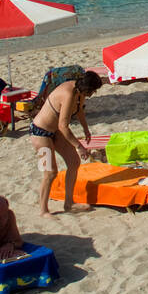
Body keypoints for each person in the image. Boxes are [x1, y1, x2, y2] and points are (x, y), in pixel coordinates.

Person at [31, 71, 102, 216]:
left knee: (74, 162)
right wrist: (79, 147)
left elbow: (79, 111)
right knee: (50, 173)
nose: (94, 93)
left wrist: (86, 129)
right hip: (40, 132)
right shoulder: (69, 94)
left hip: (56, 131)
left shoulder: (80, 93)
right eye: (94, 90)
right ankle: (43, 210)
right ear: (87, 88)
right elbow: (64, 126)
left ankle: (69, 204)